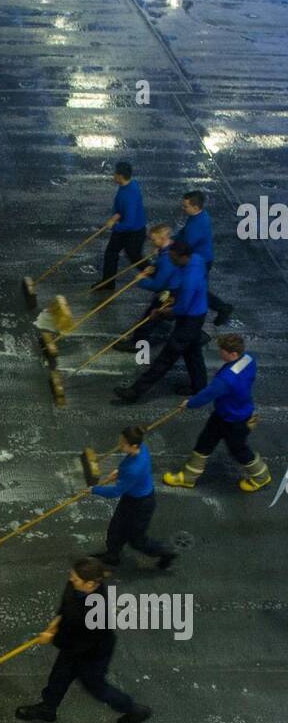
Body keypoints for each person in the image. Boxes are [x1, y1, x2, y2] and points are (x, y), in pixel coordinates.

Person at [15, 556, 152, 723]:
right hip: (73, 643)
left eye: (75, 578)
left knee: (97, 688)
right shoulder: (76, 585)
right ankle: (48, 708)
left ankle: (132, 709)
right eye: (71, 575)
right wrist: (57, 620)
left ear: (90, 584)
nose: (71, 579)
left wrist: (52, 638)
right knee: (58, 677)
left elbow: (77, 643)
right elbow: (66, 604)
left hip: (91, 655)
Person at [164, 335, 271, 493]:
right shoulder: (248, 359)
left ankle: (261, 477)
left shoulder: (226, 379)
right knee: (205, 442)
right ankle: (188, 478)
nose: (220, 353)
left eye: (223, 351)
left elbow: (207, 395)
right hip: (230, 412)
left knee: (238, 449)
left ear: (233, 354)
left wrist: (189, 403)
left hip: (234, 420)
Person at [112, 242, 208, 403]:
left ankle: (135, 392)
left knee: (165, 359)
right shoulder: (197, 259)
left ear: (182, 256)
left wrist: (161, 313)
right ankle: (199, 386)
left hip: (188, 320)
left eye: (173, 258)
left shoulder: (190, 280)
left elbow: (181, 309)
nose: (171, 260)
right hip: (198, 313)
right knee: (193, 353)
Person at [91, 426, 175, 569]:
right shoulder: (141, 448)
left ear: (134, 445)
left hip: (141, 505)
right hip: (132, 497)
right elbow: (128, 467)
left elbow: (115, 492)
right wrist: (119, 471)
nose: (120, 444)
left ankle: (165, 553)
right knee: (116, 528)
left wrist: (94, 489)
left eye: (123, 443)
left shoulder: (134, 469)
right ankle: (112, 555)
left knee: (136, 541)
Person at [113, 223, 177, 351]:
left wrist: (142, 280)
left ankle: (138, 343)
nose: (152, 243)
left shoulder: (166, 259)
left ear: (163, 239)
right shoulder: (171, 249)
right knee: (153, 315)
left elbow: (158, 285)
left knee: (149, 318)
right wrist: (153, 266)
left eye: (154, 240)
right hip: (173, 290)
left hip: (169, 292)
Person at [175, 191, 231, 327]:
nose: (183, 208)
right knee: (199, 289)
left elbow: (187, 245)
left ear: (195, 207)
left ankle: (220, 309)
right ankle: (220, 308)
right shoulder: (197, 217)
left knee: (196, 289)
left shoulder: (197, 224)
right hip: (201, 260)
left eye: (186, 206)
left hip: (200, 262)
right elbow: (183, 233)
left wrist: (171, 247)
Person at [93, 161, 147, 290]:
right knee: (111, 253)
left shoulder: (130, 196)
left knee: (135, 257)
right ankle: (108, 282)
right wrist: (116, 214)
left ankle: (156, 275)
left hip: (134, 232)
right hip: (124, 227)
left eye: (115, 173)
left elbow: (130, 223)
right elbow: (119, 205)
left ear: (120, 176)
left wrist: (113, 226)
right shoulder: (128, 185)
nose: (113, 175)